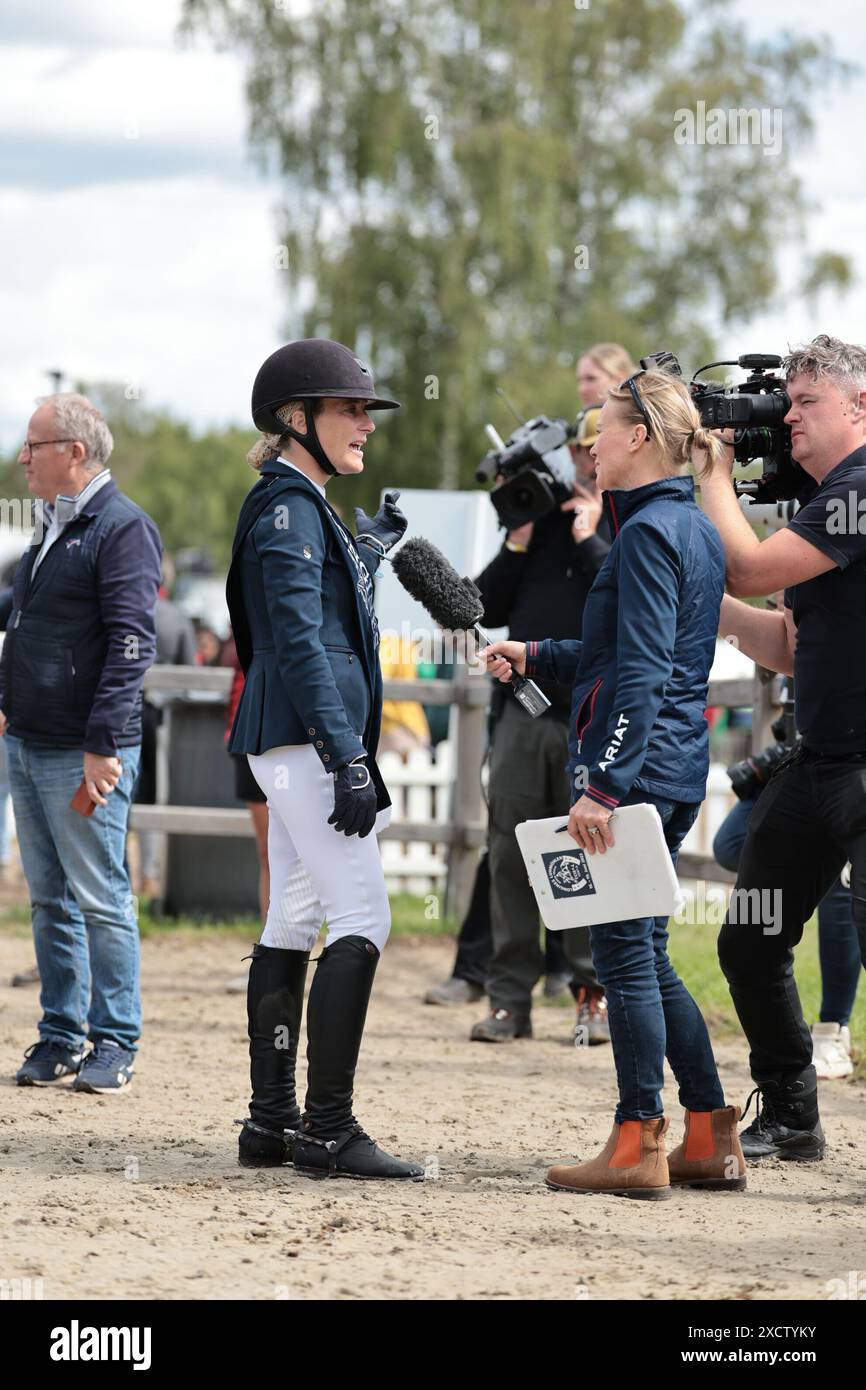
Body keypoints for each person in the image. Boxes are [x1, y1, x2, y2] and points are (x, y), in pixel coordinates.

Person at [483, 368, 746, 1198]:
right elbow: (619, 658)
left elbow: (639, 674)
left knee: (623, 954)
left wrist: (602, 783)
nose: (589, 443)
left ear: (640, 438)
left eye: (602, 427)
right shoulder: (689, 528)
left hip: (636, 772)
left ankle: (640, 1141)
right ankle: (706, 1132)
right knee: (647, 952)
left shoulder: (644, 535)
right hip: (667, 766)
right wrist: (536, 655)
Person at [226, 338, 424, 1181]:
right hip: (309, 742)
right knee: (364, 918)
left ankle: (272, 1122)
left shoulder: (305, 507)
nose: (365, 428)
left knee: (292, 922)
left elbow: (321, 622)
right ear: (294, 418)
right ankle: (328, 1128)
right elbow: (298, 640)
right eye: (349, 410)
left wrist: (364, 555)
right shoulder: (287, 509)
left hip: (296, 741)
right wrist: (347, 755)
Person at [698, 334, 866, 1161]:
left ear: (859, 406)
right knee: (750, 938)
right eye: (787, 400)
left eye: (806, 403)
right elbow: (790, 643)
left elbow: (752, 566)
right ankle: (795, 1117)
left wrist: (714, 480)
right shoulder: (825, 502)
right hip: (822, 764)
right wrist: (714, 607)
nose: (788, 417)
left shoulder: (862, 491)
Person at [1, 393, 161, 1093]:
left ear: (73, 451)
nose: (21, 458)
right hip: (30, 741)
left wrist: (102, 744)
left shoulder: (121, 528)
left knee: (99, 899)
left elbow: (132, 643)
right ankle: (61, 1035)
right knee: (49, 900)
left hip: (80, 752)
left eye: (32, 446)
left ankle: (115, 1041)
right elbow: (20, 616)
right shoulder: (51, 527)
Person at [712, 689, 860, 1081]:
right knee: (730, 848)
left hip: (849, 761)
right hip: (799, 756)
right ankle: (788, 1084)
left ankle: (832, 1028)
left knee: (838, 890)